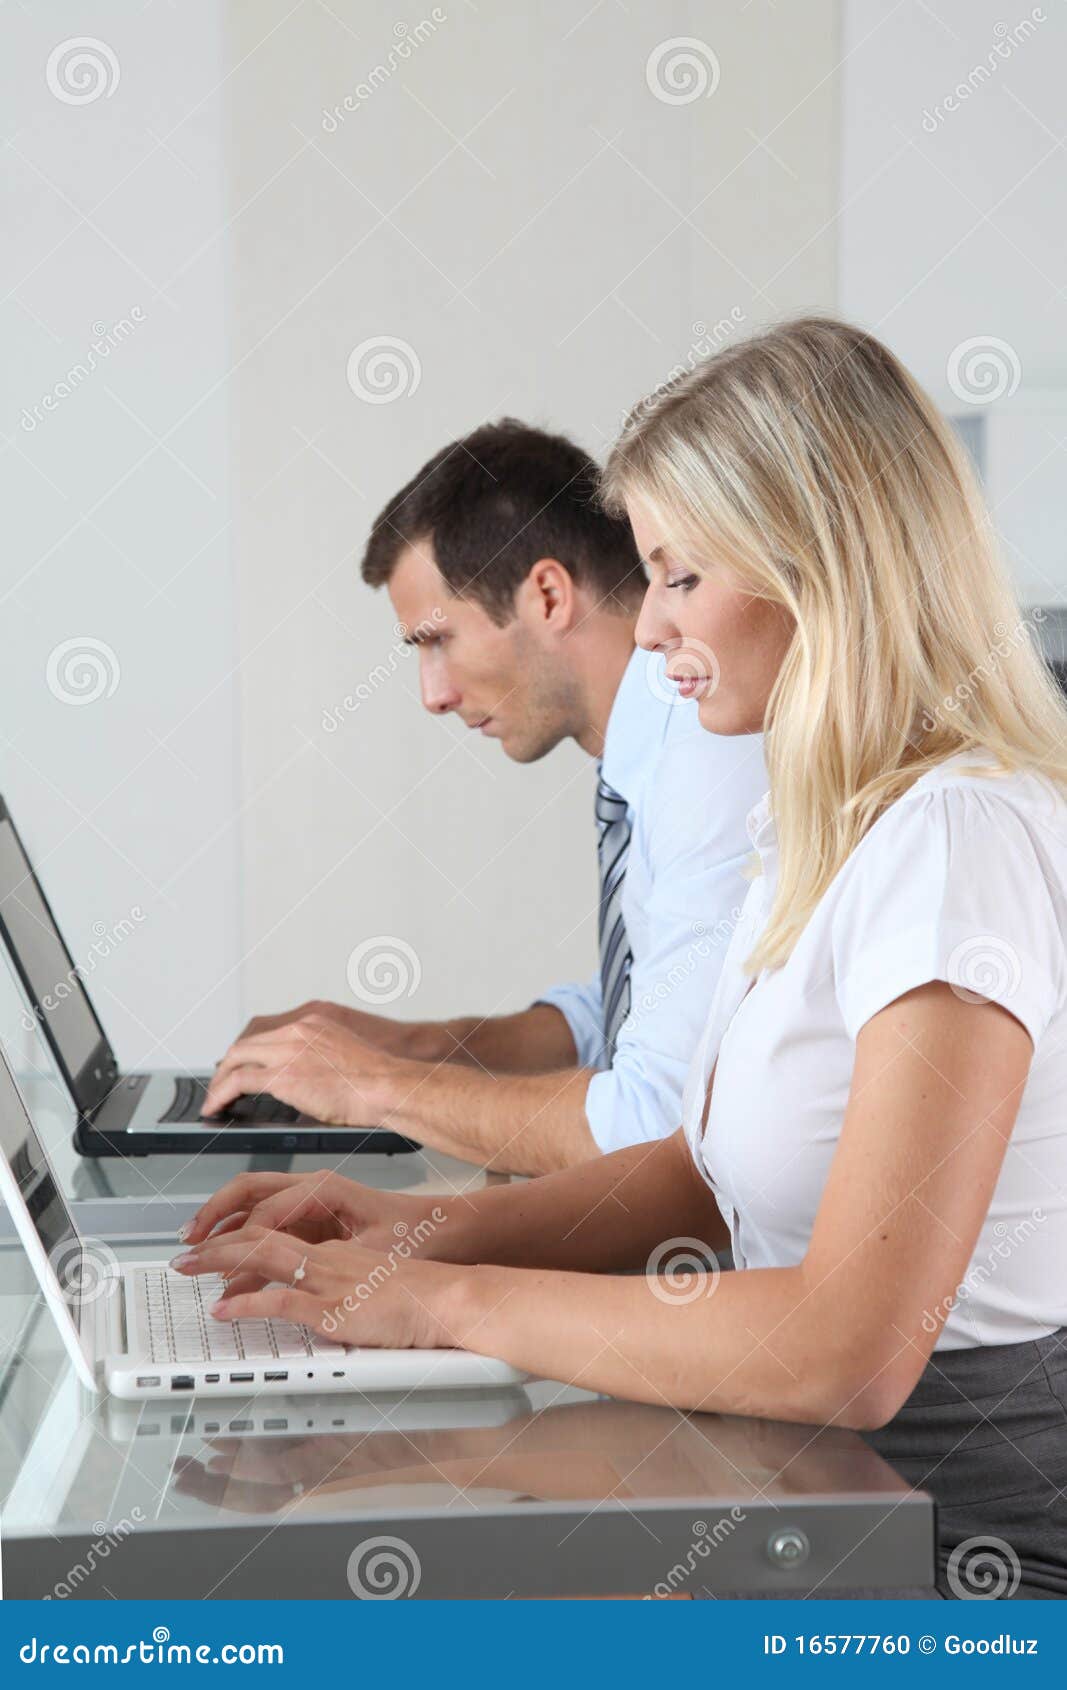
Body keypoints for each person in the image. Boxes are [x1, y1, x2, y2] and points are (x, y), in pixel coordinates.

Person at [177, 318, 1067, 1597]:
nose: (644, 628)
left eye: (679, 575)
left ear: (817, 561)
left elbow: (846, 1347)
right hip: (821, 1496)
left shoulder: (956, 838)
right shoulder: (828, 821)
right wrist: (426, 1233)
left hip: (961, 1552)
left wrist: (438, 1304)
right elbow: (708, 1178)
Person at [201, 421, 766, 1173]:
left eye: (437, 640)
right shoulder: (651, 752)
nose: (432, 695)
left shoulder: (705, 757)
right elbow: (629, 1012)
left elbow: (647, 1125)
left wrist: (375, 1087)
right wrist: (411, 1046)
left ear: (546, 595)